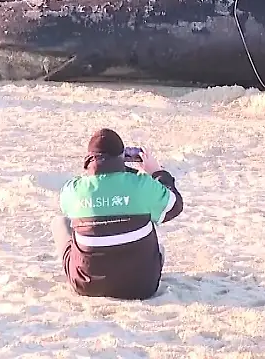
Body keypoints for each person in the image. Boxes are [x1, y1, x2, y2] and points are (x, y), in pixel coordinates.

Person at [51, 128, 184, 299]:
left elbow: (68, 208)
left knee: (60, 222)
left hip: (87, 285)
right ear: (123, 158)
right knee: (153, 228)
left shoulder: (74, 189)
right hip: (142, 286)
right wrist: (156, 173)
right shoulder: (141, 185)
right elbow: (175, 206)